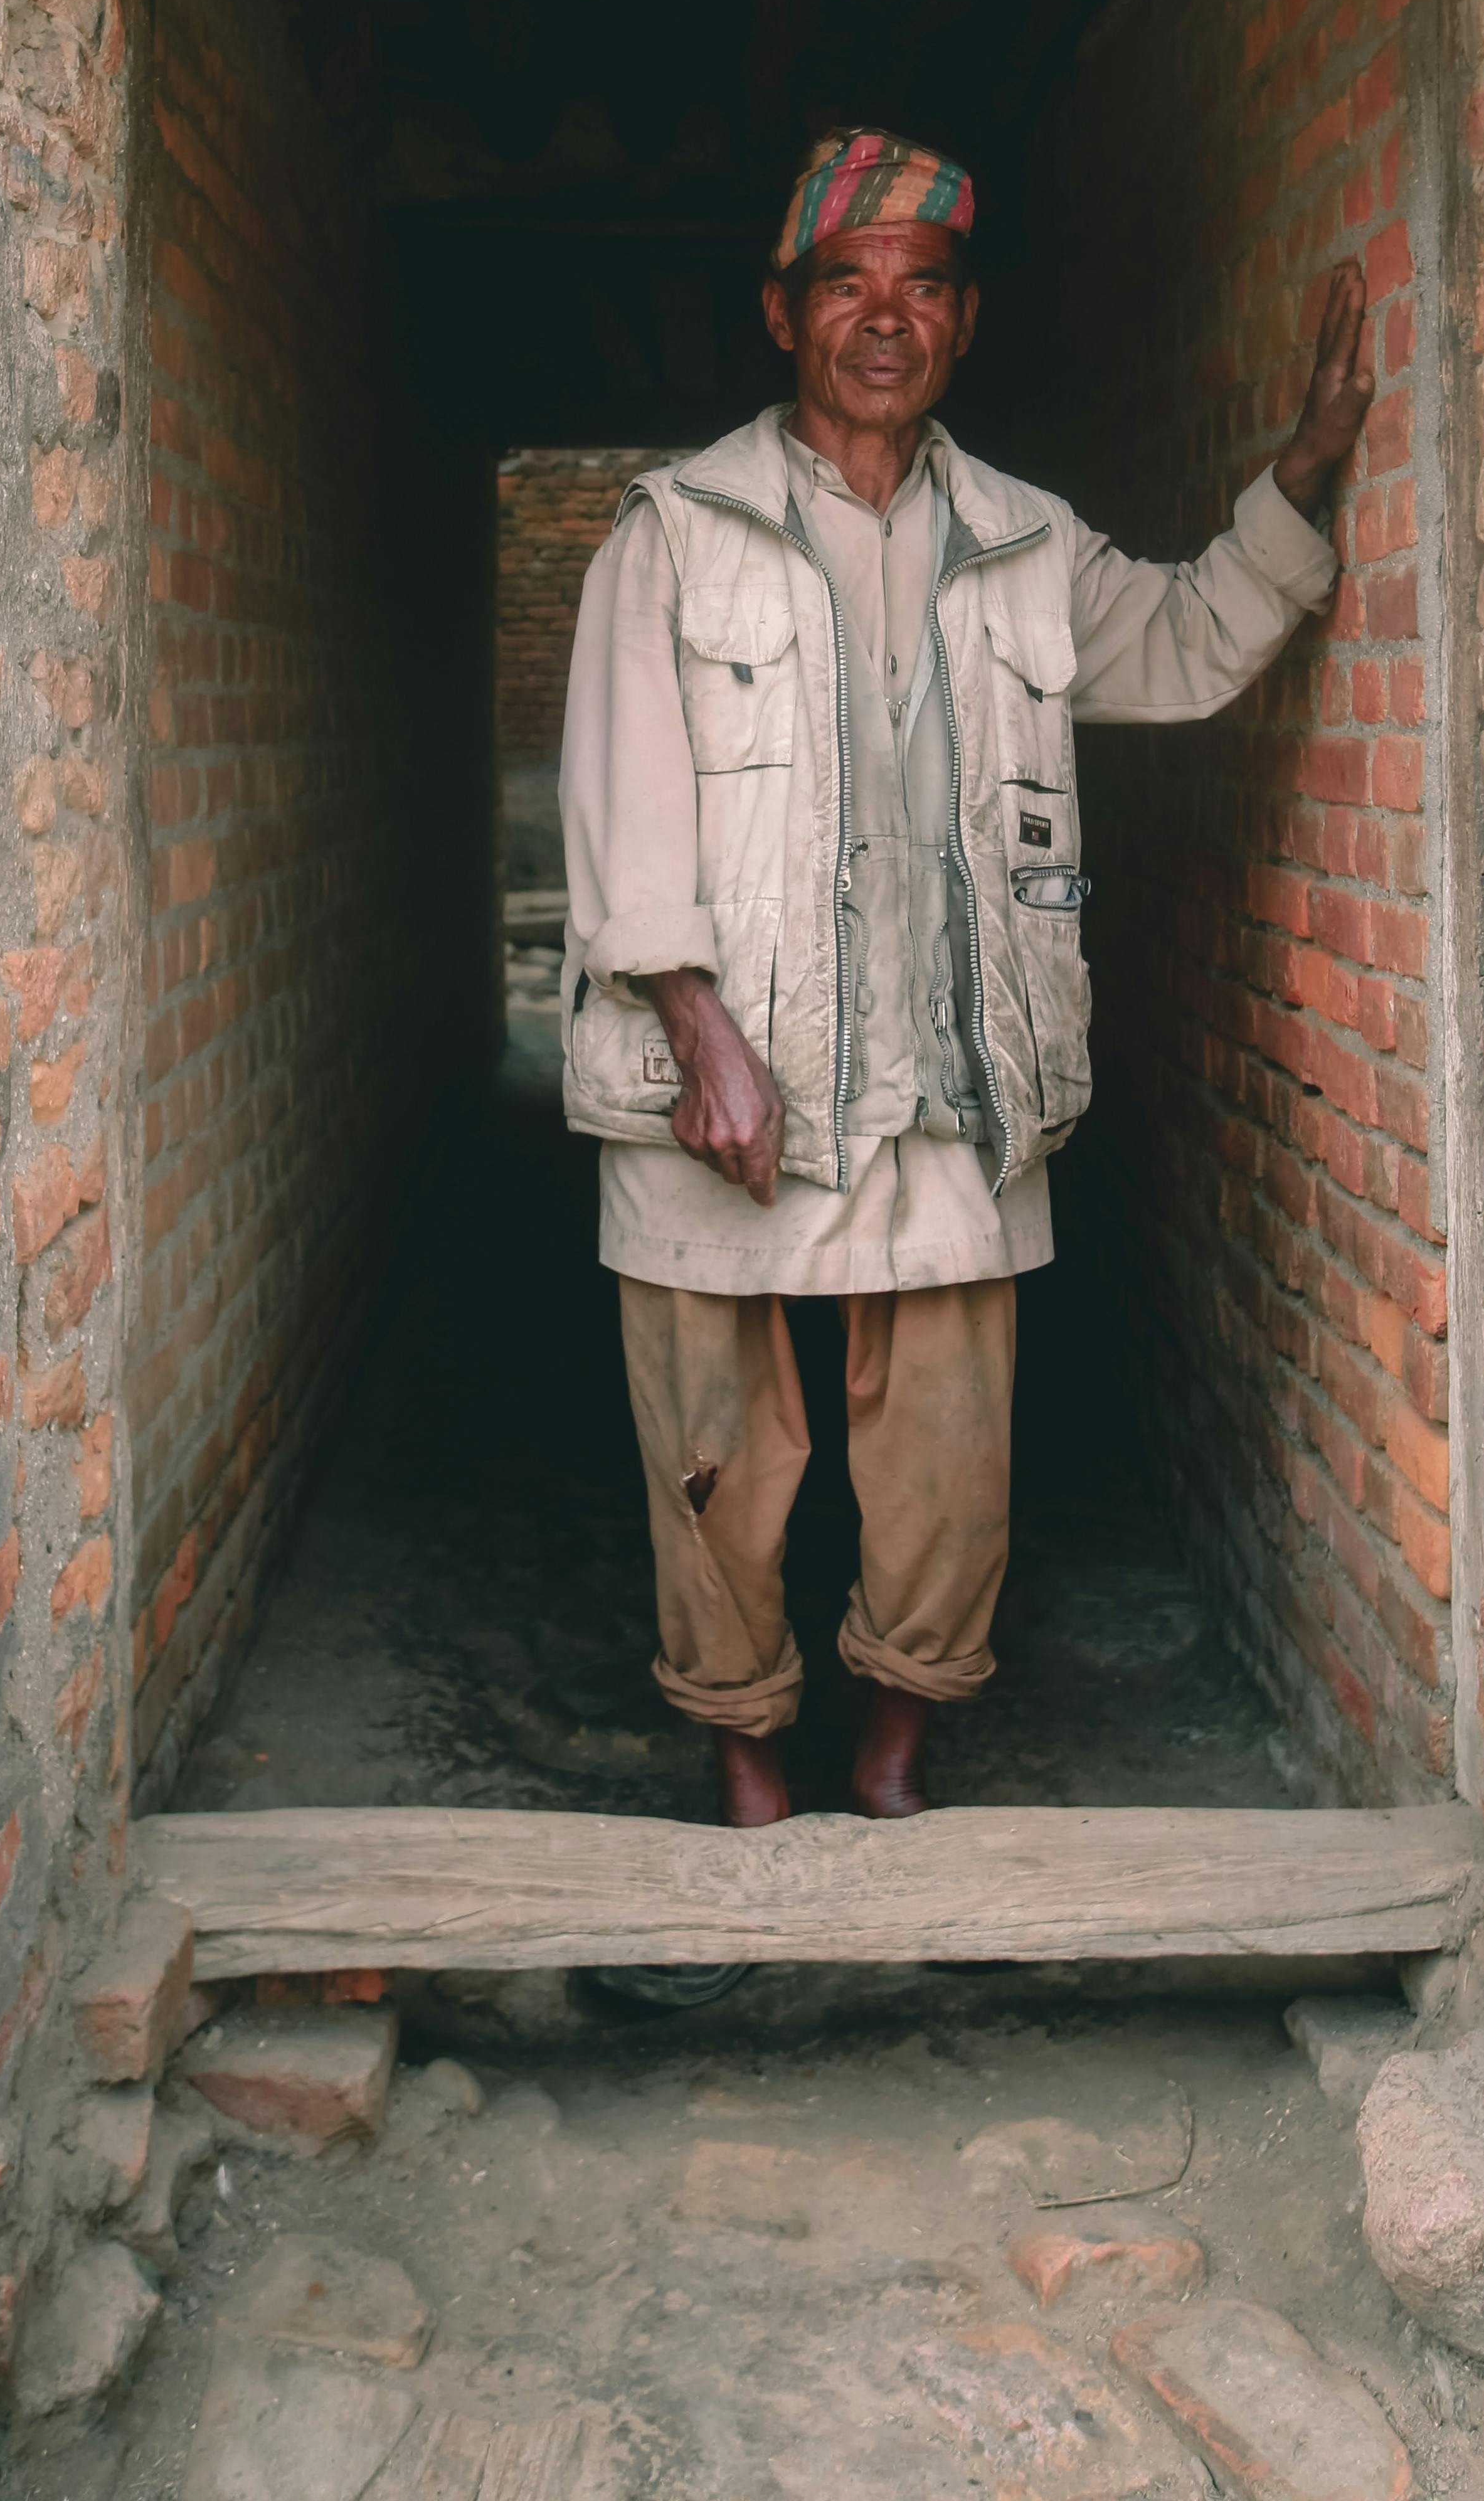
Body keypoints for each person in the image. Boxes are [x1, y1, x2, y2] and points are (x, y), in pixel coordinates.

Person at [558, 126, 1375, 1827]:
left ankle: (899, 1748)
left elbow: (1177, 644)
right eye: (845, 284)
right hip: (730, 1066)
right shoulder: (677, 528)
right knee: (715, 1441)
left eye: (918, 287)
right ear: (781, 314)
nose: (882, 317)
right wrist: (697, 1027)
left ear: (964, 322)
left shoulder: (1020, 538)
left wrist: (1300, 481)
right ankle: (745, 1754)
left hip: (949, 1057)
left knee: (942, 1450)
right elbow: (620, 803)